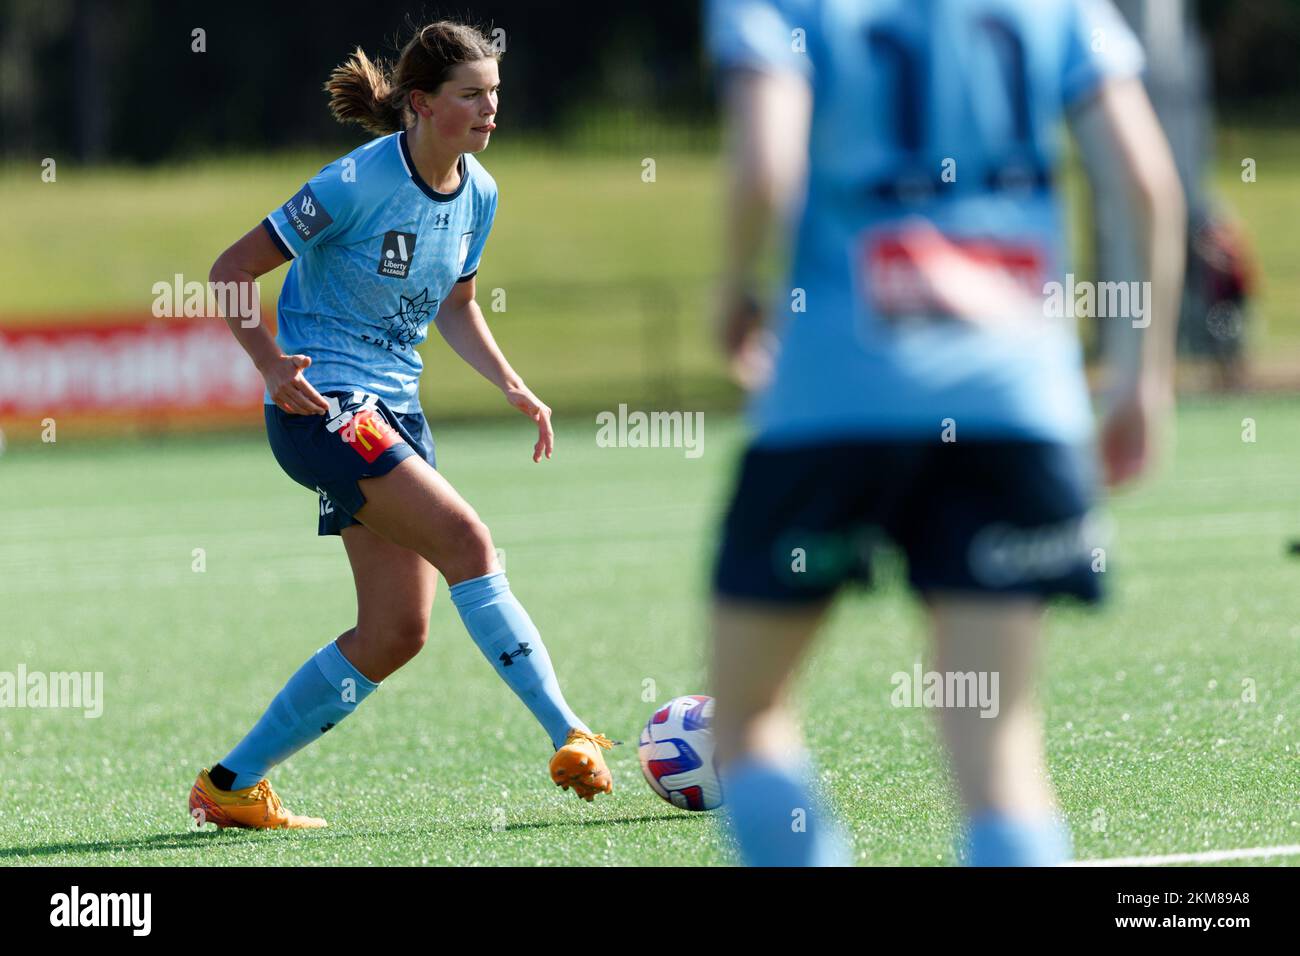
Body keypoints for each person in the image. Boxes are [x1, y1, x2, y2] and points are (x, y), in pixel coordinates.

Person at [705, 0, 1186, 865]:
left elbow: (768, 167)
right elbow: (1146, 180)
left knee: (750, 717)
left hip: (833, 396)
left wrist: (735, 288)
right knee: (999, 748)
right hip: (1015, 401)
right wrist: (1139, 377)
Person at [189, 20, 614, 830]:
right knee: (471, 544)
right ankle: (571, 731)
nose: (491, 109)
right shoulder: (352, 182)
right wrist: (273, 366)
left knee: (395, 632)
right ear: (420, 104)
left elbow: (457, 307)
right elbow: (230, 271)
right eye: (471, 96)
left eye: (495, 93)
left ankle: (230, 784)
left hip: (396, 413)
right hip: (327, 409)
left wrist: (514, 385)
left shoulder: (481, 192)